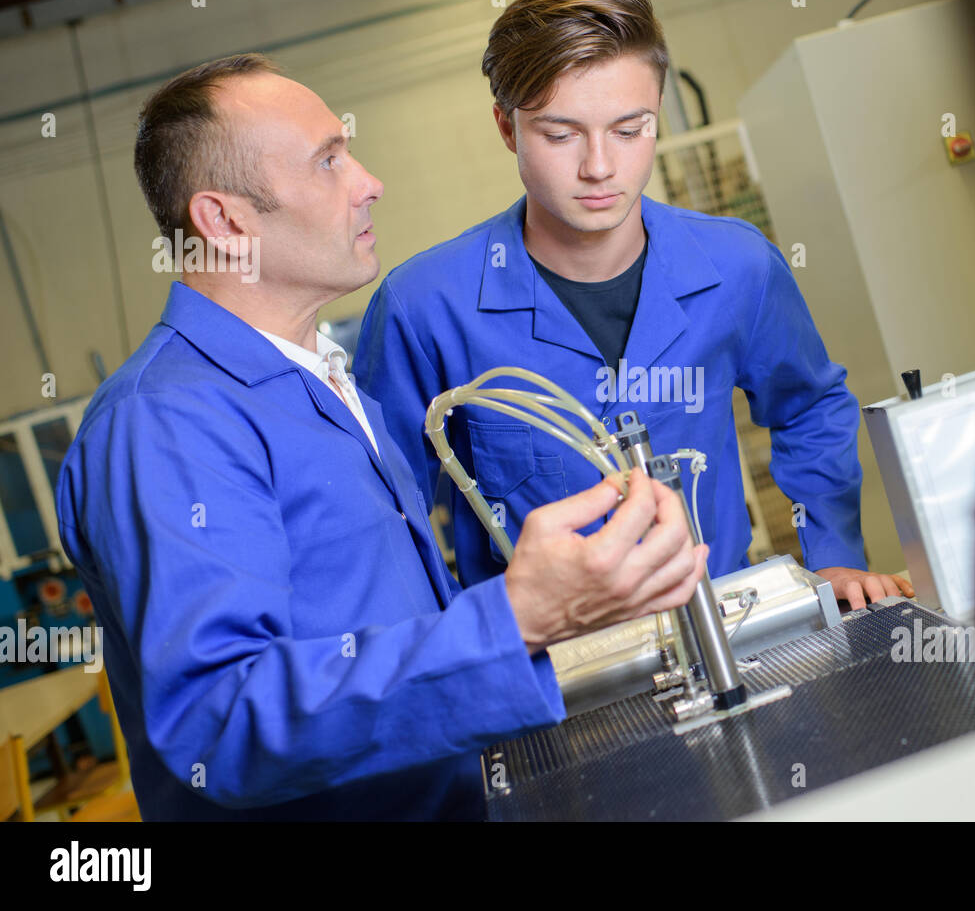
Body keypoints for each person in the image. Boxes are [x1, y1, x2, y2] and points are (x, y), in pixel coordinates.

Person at [55, 53, 707, 820]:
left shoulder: (326, 380)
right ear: (225, 220)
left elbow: (381, 629)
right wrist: (517, 616)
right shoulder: (165, 422)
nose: (369, 181)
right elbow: (220, 722)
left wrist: (567, 604)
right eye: (328, 161)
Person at [354, 0, 913, 609]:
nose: (599, 166)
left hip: (730, 629)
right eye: (560, 134)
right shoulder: (425, 308)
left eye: (630, 129)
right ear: (507, 129)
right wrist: (453, 648)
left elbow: (809, 405)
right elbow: (382, 512)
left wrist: (834, 554)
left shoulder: (738, 266)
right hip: (550, 677)